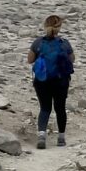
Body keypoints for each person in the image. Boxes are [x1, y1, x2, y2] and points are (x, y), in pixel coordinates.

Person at [27, 15, 75, 149]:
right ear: (59, 27)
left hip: (42, 81)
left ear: (45, 26)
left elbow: (30, 60)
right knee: (60, 108)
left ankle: (42, 136)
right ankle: (61, 138)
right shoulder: (64, 43)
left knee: (45, 108)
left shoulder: (38, 42)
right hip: (60, 81)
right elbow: (72, 59)